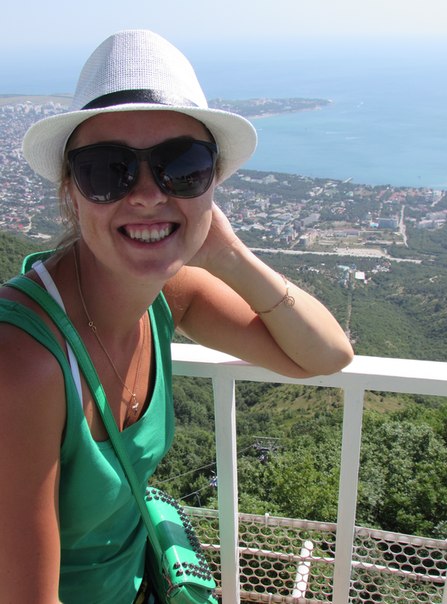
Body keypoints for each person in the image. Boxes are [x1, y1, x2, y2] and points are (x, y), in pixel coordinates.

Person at [0, 30, 353, 604]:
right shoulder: (21, 364)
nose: (146, 194)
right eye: (107, 170)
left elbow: (326, 355)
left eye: (182, 167)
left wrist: (229, 256)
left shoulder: (170, 293)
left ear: (213, 183)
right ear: (71, 192)